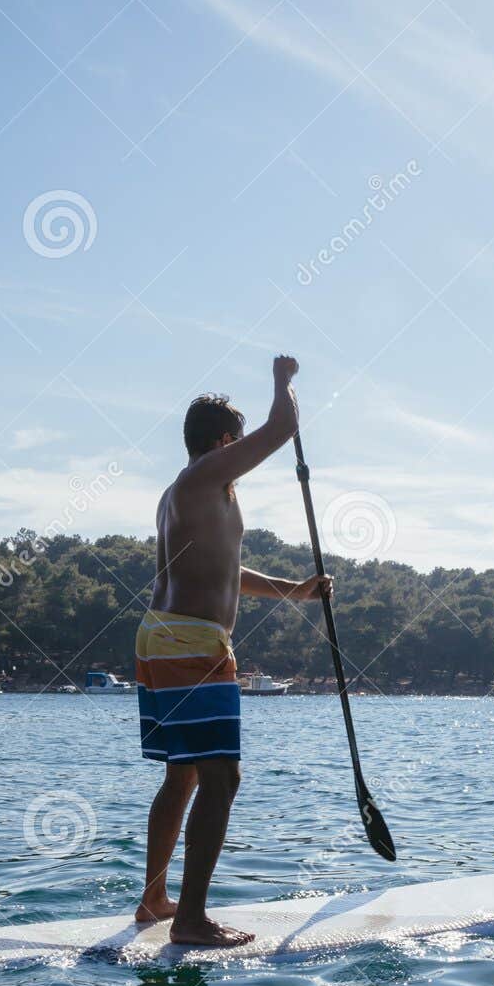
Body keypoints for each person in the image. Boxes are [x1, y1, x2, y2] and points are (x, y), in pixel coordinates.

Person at [135, 355, 332, 946]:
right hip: (192, 642)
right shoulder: (203, 478)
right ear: (223, 443)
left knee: (184, 775)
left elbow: (225, 572)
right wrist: (283, 381)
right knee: (222, 779)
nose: (244, 456)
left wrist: (294, 591)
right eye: (237, 444)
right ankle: (191, 921)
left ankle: (155, 900)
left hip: (166, 637)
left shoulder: (186, 493)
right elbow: (283, 428)